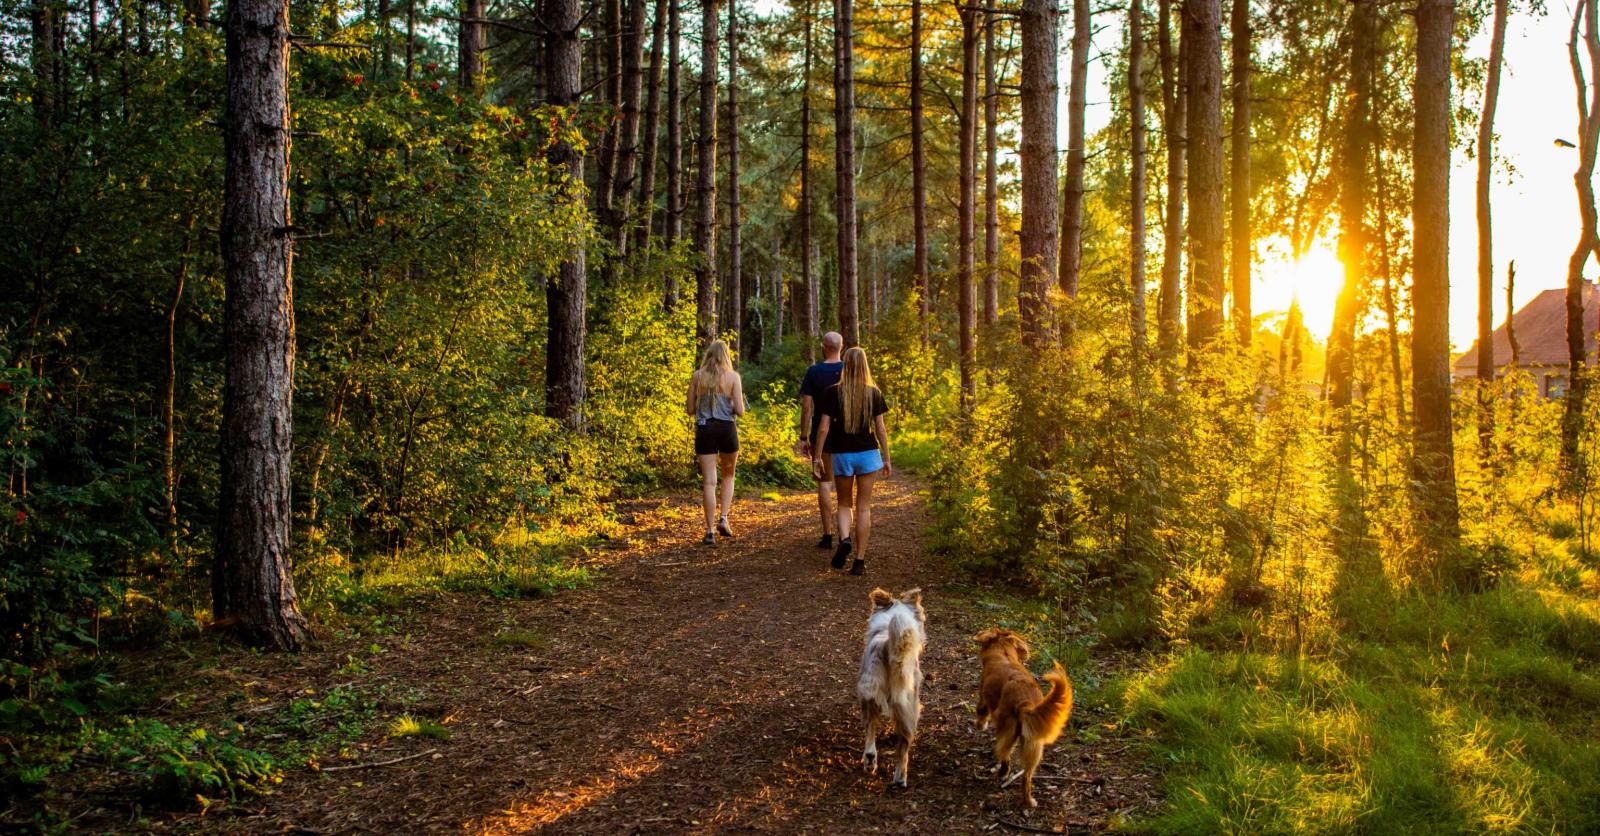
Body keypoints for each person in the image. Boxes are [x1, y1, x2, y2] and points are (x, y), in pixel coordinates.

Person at [813, 346, 892, 576]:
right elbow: (881, 429)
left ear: (845, 365)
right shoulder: (873, 393)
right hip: (868, 454)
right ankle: (859, 561)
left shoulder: (832, 392)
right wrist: (887, 458)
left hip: (842, 455)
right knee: (864, 507)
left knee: (844, 503)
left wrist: (817, 457)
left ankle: (845, 539)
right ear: (865, 365)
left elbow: (823, 428)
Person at [686, 340, 746, 545]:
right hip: (727, 428)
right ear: (726, 355)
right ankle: (724, 518)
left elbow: (690, 409)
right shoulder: (733, 377)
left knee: (709, 482)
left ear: (708, 355)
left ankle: (710, 531)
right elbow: (740, 410)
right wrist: (729, 403)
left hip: (705, 429)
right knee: (728, 475)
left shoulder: (697, 376)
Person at [797, 332, 846, 549]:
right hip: (847, 431)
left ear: (824, 347)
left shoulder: (814, 372)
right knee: (845, 482)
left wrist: (803, 436)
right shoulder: (849, 369)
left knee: (824, 482)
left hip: (821, 431)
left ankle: (827, 535)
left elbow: (807, 406)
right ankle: (845, 534)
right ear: (841, 347)